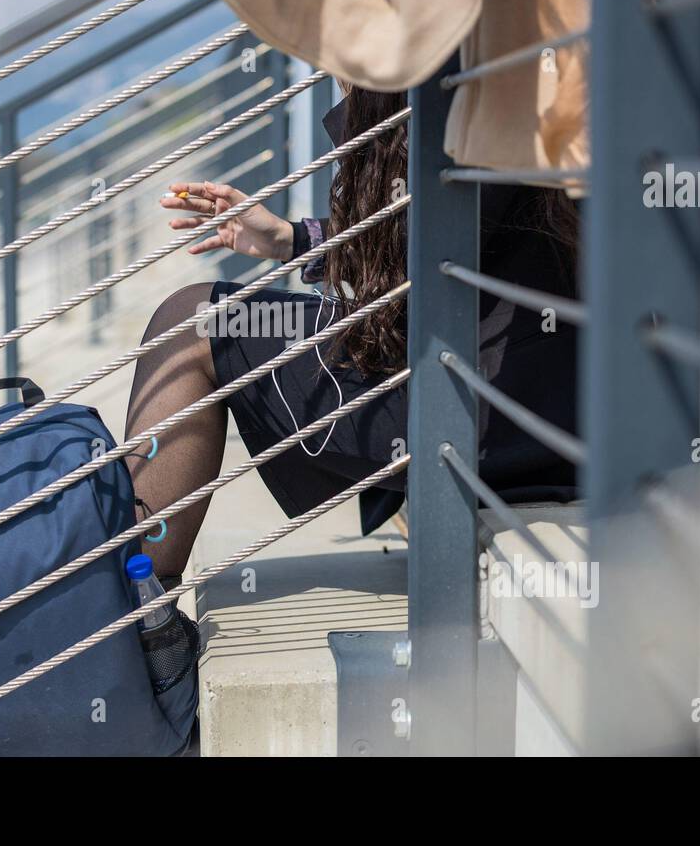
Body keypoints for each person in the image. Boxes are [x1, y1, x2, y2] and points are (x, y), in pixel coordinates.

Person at [123, 86, 582, 587]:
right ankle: (140, 604)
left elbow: (416, 243)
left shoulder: (474, 89)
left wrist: (363, 85)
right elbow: (422, 230)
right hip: (501, 388)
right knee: (200, 317)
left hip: (491, 413)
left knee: (194, 323)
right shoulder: (496, 76)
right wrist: (293, 239)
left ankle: (140, 613)